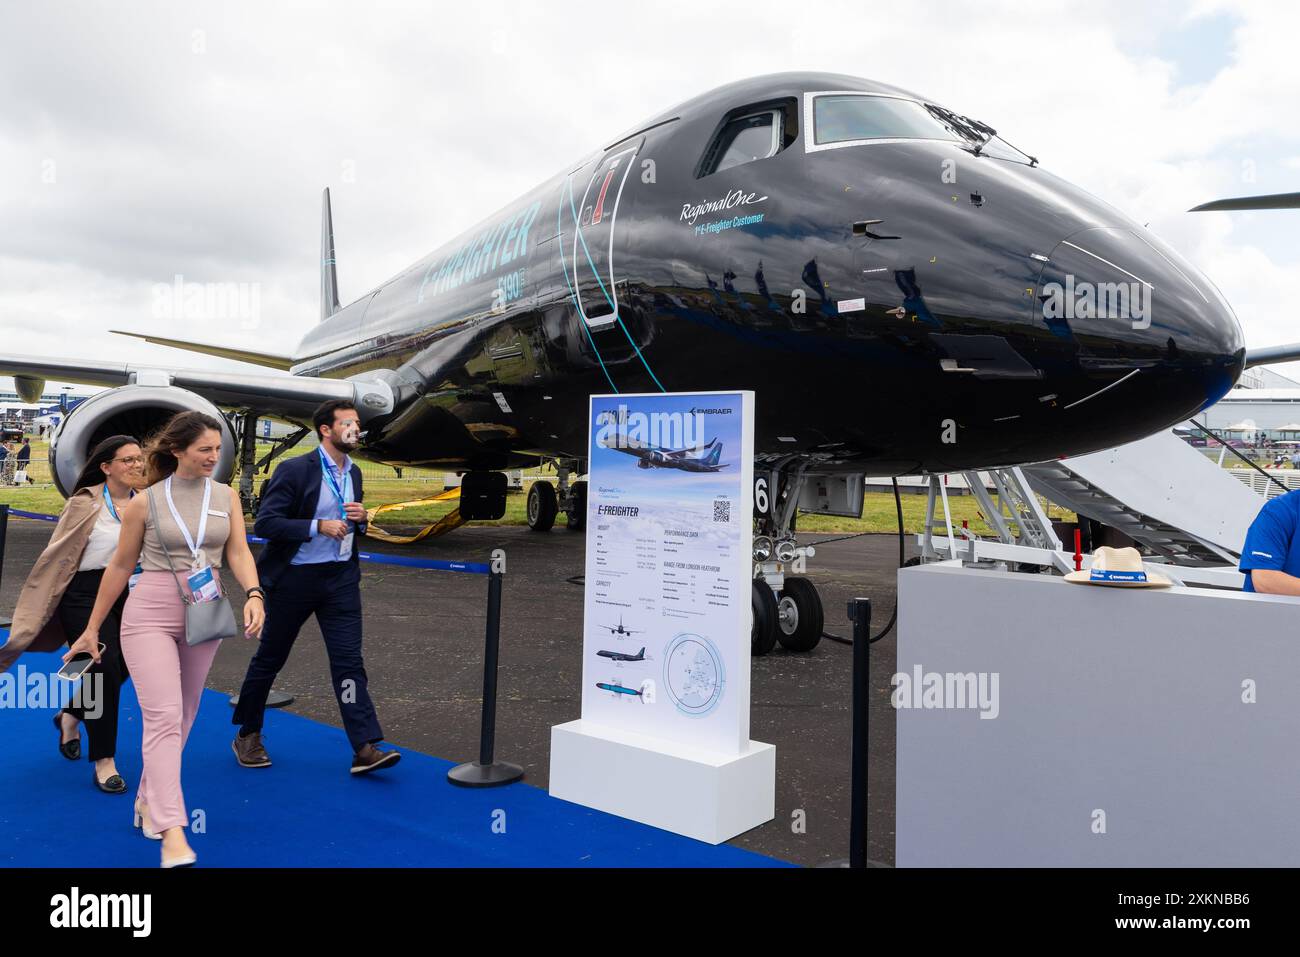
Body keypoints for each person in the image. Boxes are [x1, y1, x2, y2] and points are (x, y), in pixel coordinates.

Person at [64, 411, 265, 868]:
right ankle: (171, 828)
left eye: (217, 449)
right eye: (204, 450)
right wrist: (93, 627)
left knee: (187, 715)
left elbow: (237, 550)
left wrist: (254, 592)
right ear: (177, 451)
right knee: (163, 716)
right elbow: (118, 567)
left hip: (206, 606)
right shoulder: (145, 502)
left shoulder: (226, 496)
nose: (214, 457)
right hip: (150, 611)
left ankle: (147, 799)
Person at [231, 399, 398, 774]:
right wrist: (315, 526)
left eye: (357, 423)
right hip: (293, 580)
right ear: (325, 429)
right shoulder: (295, 470)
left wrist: (360, 519)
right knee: (270, 660)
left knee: (348, 662)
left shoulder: (354, 473)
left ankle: (364, 745)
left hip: (339, 579)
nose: (356, 429)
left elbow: (351, 522)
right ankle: (248, 732)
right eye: (348, 424)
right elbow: (267, 524)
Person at [4, 436, 147, 793]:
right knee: (102, 668)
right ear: (106, 466)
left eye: (139, 459)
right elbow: (58, 555)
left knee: (126, 666)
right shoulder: (84, 503)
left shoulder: (146, 503)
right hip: (83, 594)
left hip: (131, 593)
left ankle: (71, 714)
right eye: (127, 460)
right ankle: (104, 760)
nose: (136, 466)